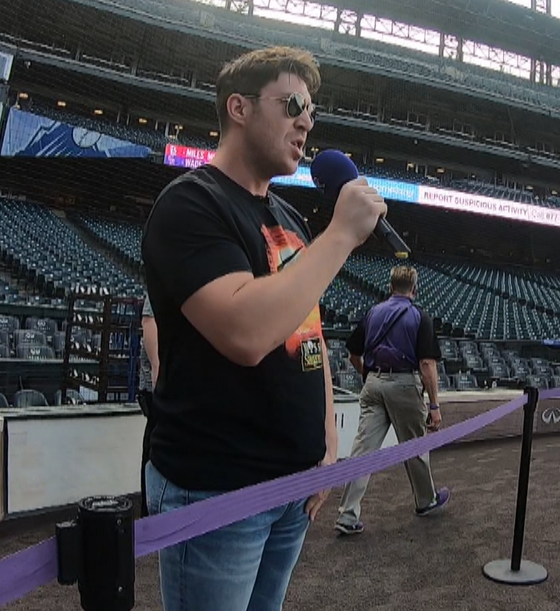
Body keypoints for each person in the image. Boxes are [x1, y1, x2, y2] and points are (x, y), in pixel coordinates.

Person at [139, 46, 388, 611]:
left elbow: (311, 338)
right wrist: (341, 236)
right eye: (293, 103)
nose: (307, 121)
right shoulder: (190, 204)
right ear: (240, 108)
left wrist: (326, 451)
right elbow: (248, 334)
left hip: (293, 486)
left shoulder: (291, 218)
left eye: (313, 111)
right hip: (218, 488)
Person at [335, 265, 449, 536]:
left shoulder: (373, 312)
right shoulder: (419, 316)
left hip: (373, 383)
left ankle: (347, 515)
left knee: (362, 451)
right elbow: (427, 364)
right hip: (403, 384)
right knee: (416, 447)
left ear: (390, 287)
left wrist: (368, 375)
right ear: (414, 290)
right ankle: (425, 501)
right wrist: (434, 405)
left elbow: (352, 353)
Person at [136, 293, 158, 517]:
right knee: (153, 447)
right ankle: (148, 510)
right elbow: (149, 324)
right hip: (155, 389)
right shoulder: (160, 280)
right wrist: (158, 374)